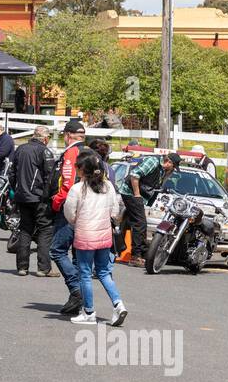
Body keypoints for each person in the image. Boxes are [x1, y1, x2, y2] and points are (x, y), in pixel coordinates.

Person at [64, 151, 128, 327]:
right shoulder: (108, 186)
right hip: (104, 235)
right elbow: (115, 212)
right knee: (104, 272)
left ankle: (89, 312)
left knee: (84, 273)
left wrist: (77, 221)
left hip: (85, 235)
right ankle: (118, 304)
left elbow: (69, 213)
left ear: (82, 169)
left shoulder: (77, 189)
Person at [50, 120, 88, 314]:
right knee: (77, 256)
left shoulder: (72, 152)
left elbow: (68, 183)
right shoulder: (92, 152)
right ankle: (78, 299)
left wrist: (55, 202)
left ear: (67, 135)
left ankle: (76, 290)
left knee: (56, 250)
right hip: (90, 211)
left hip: (71, 210)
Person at [11, 125, 57, 277]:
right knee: (45, 229)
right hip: (38, 197)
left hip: (22, 196)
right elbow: (49, 176)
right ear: (45, 138)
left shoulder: (20, 149)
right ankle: (44, 268)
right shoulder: (44, 151)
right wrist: (48, 196)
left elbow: (11, 172)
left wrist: (16, 190)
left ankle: (22, 267)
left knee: (25, 230)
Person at [120, 150, 180, 267]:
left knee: (138, 222)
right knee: (140, 223)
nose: (172, 170)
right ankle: (136, 256)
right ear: (168, 161)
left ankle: (137, 252)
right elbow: (135, 175)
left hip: (138, 195)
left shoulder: (162, 169)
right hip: (130, 192)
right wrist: (137, 195)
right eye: (173, 167)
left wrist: (167, 175)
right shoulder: (153, 161)